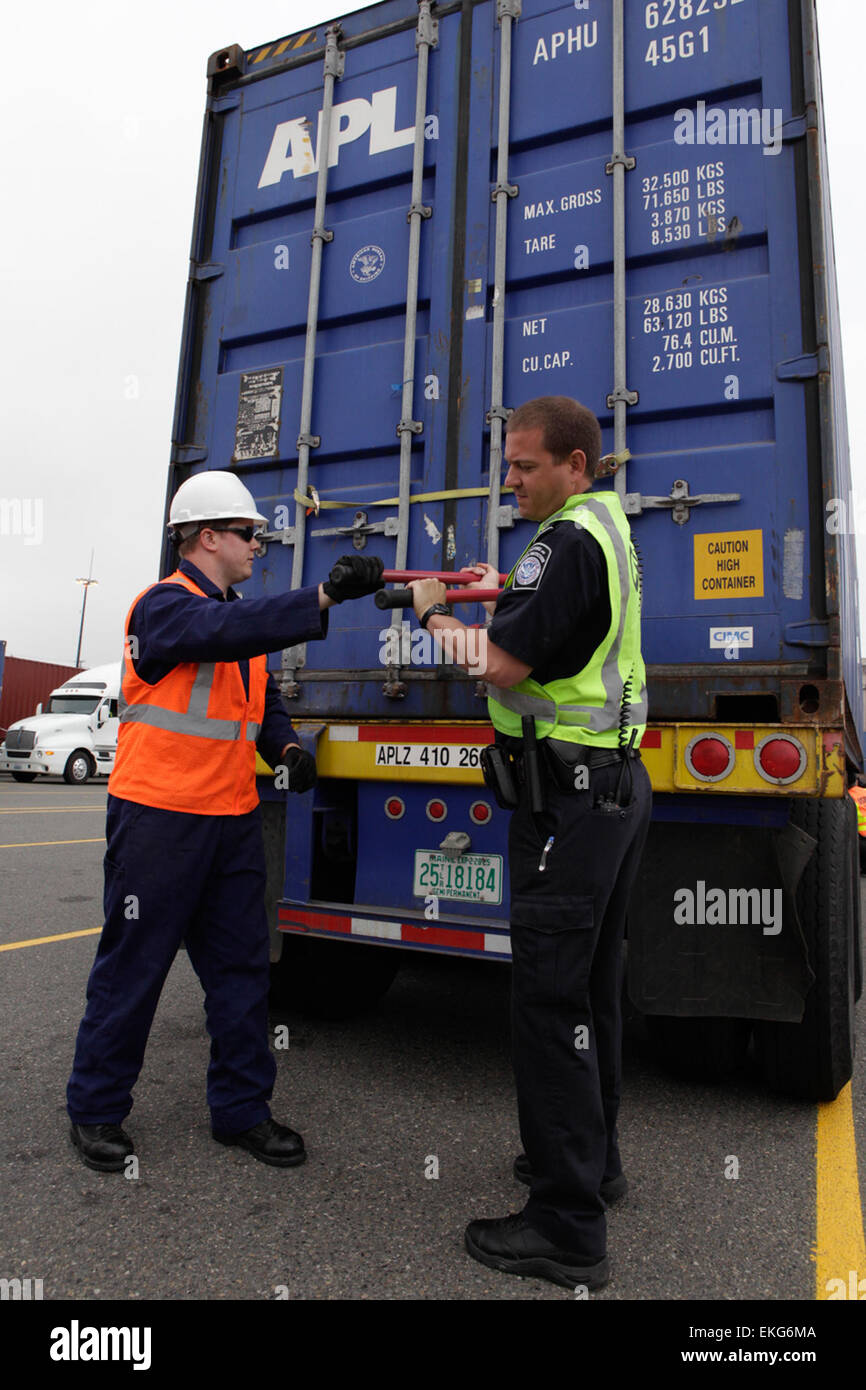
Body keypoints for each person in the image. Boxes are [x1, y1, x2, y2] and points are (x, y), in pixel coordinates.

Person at [67, 470, 384, 1172]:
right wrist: (324, 595)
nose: (257, 546)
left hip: (231, 818)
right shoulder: (163, 609)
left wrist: (289, 749)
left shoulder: (237, 616)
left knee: (243, 971)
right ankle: (93, 1109)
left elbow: (259, 696)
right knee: (133, 968)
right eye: (248, 535)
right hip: (158, 820)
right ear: (206, 537)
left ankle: (241, 1111)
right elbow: (221, 632)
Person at [408, 396, 652, 1290]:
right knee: (593, 988)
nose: (507, 479)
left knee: (550, 1005)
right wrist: (496, 590)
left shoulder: (563, 542)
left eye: (523, 465)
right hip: (618, 791)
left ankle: (564, 1227)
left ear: (575, 465)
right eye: (507, 464)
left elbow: (502, 665)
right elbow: (550, 626)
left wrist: (435, 613)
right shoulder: (607, 530)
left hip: (570, 805)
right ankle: (597, 1167)